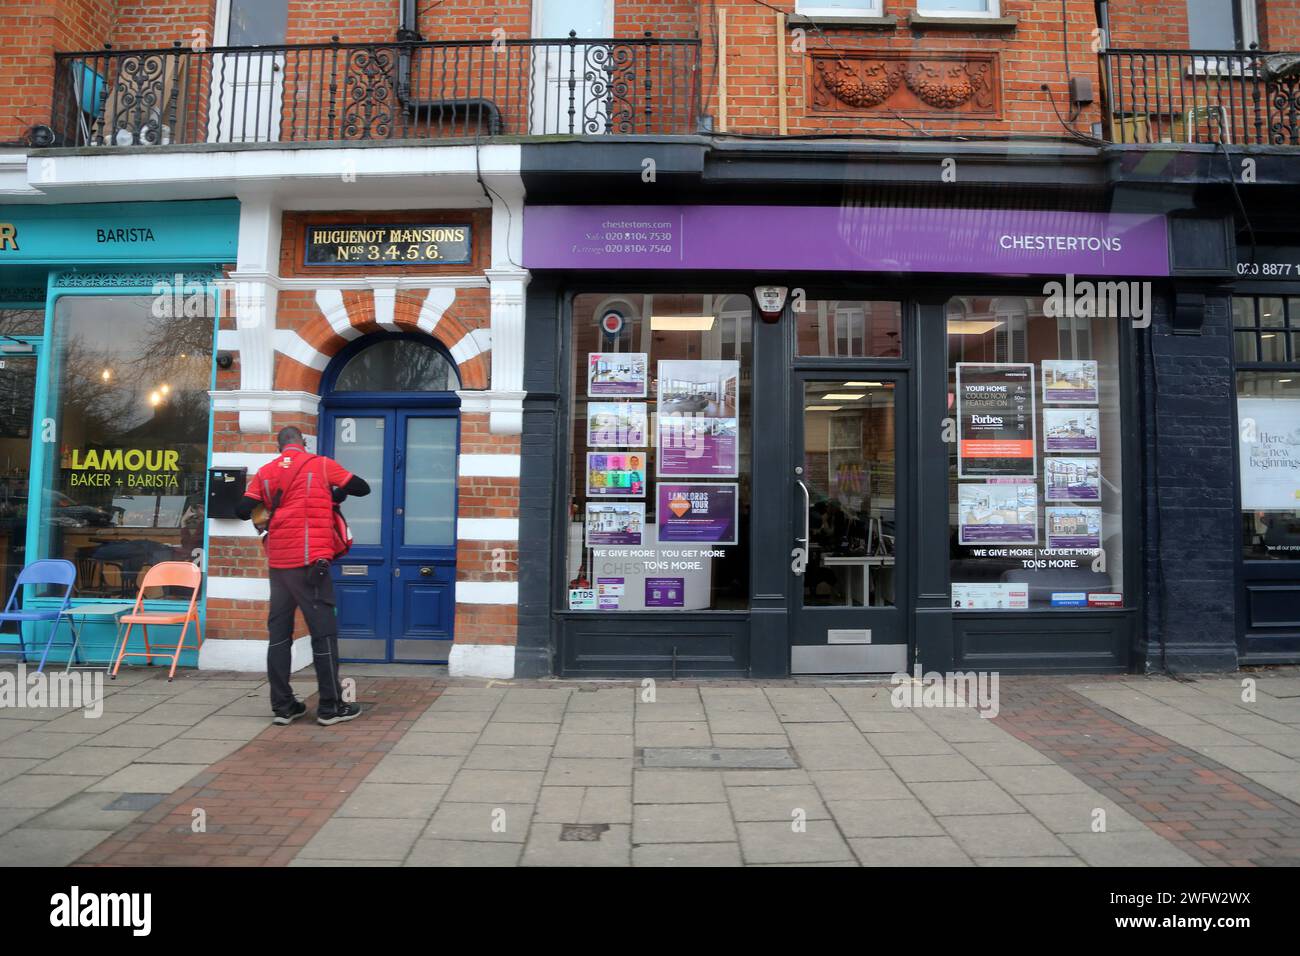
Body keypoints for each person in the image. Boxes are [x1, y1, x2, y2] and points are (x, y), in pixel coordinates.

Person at [235, 426, 370, 726]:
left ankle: (284, 707)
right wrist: (336, 493)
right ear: (302, 443)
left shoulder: (266, 472)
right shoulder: (320, 464)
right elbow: (363, 487)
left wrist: (269, 506)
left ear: (280, 445)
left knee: (279, 635)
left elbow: (242, 510)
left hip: (279, 565)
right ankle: (330, 707)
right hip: (313, 563)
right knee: (323, 633)